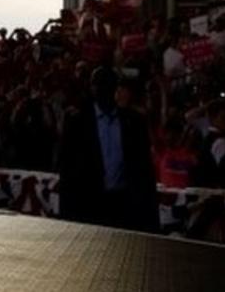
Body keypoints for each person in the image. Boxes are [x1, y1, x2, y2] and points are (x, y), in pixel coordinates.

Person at [58, 67, 156, 231]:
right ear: (92, 88)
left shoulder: (134, 122)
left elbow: (144, 169)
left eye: (108, 84)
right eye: (98, 85)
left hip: (124, 203)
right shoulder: (77, 122)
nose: (102, 89)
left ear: (115, 88)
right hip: (89, 204)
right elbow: (67, 168)